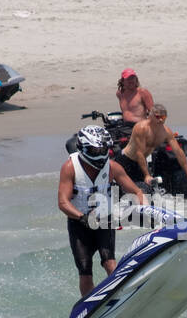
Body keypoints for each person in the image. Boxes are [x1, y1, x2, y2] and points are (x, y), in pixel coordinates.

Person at [58, 125, 148, 297]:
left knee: (110, 262)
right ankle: (90, 308)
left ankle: (120, 297)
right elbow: (63, 202)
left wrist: (144, 209)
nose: (100, 154)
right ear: (83, 148)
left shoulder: (112, 167)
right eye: (94, 150)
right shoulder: (70, 167)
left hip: (104, 220)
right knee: (85, 270)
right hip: (79, 224)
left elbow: (136, 191)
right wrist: (81, 217)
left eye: (103, 149)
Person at [116, 105, 187, 192]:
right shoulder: (141, 128)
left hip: (140, 163)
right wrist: (146, 174)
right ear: (150, 116)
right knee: (123, 189)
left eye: (163, 117)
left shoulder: (166, 132)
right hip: (126, 160)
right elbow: (139, 153)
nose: (161, 120)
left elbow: (178, 152)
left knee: (143, 189)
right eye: (157, 117)